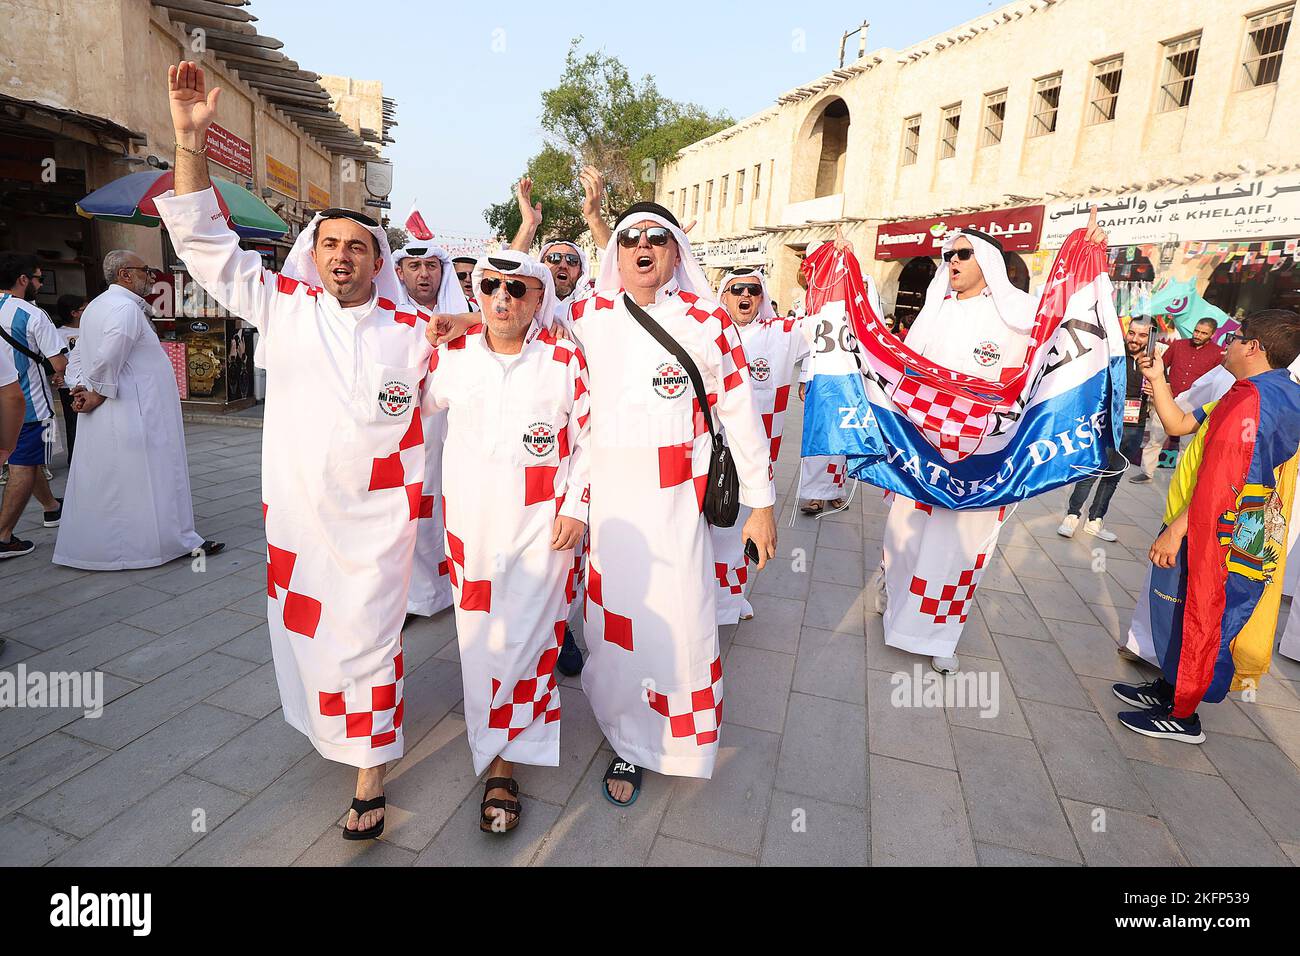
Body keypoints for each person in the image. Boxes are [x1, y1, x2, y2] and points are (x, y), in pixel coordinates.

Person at [156, 61, 433, 840]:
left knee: (373, 639)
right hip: (299, 529)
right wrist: (190, 141)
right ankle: (336, 730)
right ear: (314, 253)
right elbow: (204, 239)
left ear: (380, 263)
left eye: (358, 247)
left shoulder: (414, 334)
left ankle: (369, 773)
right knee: (311, 639)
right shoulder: (282, 307)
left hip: (380, 528)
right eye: (331, 243)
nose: (343, 256)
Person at [428, 202, 778, 805]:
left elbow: (740, 411)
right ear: (615, 253)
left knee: (683, 623)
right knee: (613, 632)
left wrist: (763, 503)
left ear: (674, 252)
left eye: (657, 239)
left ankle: (678, 742)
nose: (643, 248)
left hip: (677, 506)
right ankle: (626, 740)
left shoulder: (708, 321)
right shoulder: (588, 313)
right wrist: (463, 319)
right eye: (630, 239)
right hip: (606, 512)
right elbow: (516, 304)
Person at [871, 224, 1105, 674]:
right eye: (948, 256)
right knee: (905, 536)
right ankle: (896, 600)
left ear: (989, 262)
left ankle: (939, 634)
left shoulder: (1018, 315)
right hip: (922, 452)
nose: (951, 263)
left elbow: (1065, 322)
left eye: (962, 254)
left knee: (963, 545)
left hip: (984, 456)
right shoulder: (933, 312)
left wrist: (1087, 256)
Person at [425, 250, 590, 833]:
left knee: (530, 642)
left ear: (539, 299)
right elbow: (394, 414)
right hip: (471, 533)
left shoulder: (566, 358)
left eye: (517, 289)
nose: (502, 298)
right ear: (476, 293)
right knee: (480, 645)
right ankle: (496, 752)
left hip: (543, 531)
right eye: (490, 285)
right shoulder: (448, 358)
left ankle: (504, 766)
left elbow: (590, 436)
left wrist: (577, 505)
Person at [1113, 309, 1300, 743]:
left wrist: (1177, 529)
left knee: (1202, 612)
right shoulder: (1260, 392)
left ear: (1254, 348)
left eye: (1236, 338)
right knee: (1182, 610)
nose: (1226, 345)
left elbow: (1228, 481)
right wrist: (1158, 377)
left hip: (1211, 527)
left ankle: (1183, 715)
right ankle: (1170, 686)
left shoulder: (1254, 400)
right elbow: (1180, 424)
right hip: (1219, 522)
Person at [53, 250, 222, 570]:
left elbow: (79, 355)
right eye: (145, 270)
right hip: (135, 407)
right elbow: (107, 355)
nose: (151, 276)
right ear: (125, 275)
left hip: (123, 405)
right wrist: (96, 392)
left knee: (119, 478)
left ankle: (130, 544)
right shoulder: (123, 310)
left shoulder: (97, 308)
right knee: (149, 475)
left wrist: (81, 386)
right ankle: (158, 542)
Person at [710, 268, 808, 624]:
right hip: (712, 457)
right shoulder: (707, 331)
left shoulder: (781, 335)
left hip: (756, 462)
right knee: (712, 533)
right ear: (724, 296)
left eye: (753, 289)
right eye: (736, 289)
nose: (745, 295)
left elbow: (827, 325)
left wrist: (828, 265)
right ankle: (712, 602)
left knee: (743, 532)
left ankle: (730, 601)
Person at [392, 241, 467, 620]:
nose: (424, 274)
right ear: (399, 272)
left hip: (452, 438)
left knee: (448, 510)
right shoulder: (388, 320)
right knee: (410, 515)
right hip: (404, 438)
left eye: (432, 266)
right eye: (415, 266)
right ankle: (413, 598)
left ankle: (447, 588)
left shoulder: (462, 320)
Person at [1058, 317, 1154, 542]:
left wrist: (1155, 389)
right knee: (1090, 471)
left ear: (1148, 338)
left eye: (1141, 335)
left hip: (1134, 427)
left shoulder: (1152, 363)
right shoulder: (1113, 355)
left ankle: (1095, 520)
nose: (1134, 339)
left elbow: (1161, 394)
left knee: (1113, 476)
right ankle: (1072, 516)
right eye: (1132, 333)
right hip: (1107, 424)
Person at [0, 252, 68, 558]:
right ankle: (3, 537)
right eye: (39, 278)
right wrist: (60, 373)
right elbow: (58, 361)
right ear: (23, 280)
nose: (40, 284)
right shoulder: (32, 314)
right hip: (29, 407)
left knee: (27, 460)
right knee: (24, 465)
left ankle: (51, 507)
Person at [508, 167, 611, 323]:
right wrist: (529, 224)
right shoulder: (527, 302)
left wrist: (594, 216)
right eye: (554, 258)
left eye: (572, 260)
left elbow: (614, 265)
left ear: (581, 270)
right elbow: (508, 271)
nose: (563, 264)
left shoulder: (593, 301)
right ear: (541, 266)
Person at [1132, 317, 1224, 483]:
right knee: (1155, 438)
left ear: (1212, 334)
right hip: (1168, 399)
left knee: (1186, 446)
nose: (1198, 335)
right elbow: (1161, 366)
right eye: (1197, 330)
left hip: (1194, 404)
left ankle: (1178, 479)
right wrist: (1158, 387)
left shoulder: (1218, 354)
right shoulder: (1179, 345)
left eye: (1204, 333)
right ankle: (1146, 473)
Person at [53, 294, 86, 464]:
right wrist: (57, 374)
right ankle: (74, 460)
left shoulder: (90, 329)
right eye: (83, 309)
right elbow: (54, 359)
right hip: (69, 386)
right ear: (74, 313)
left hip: (89, 383)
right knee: (73, 423)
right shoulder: (58, 334)